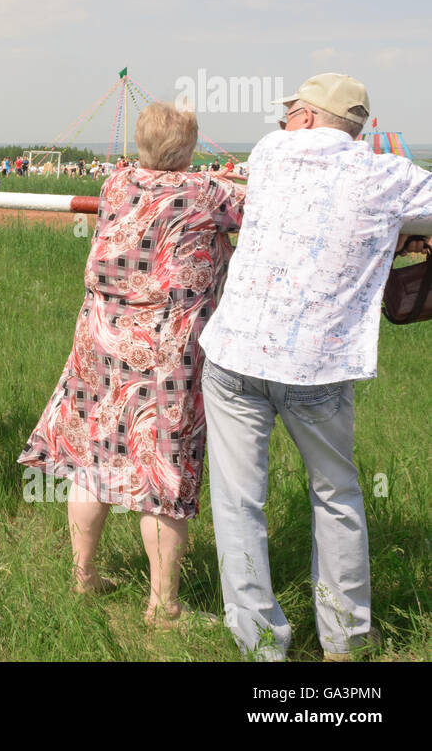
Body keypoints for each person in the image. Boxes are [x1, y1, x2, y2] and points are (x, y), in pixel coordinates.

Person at [198, 74, 432, 661]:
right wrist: (397, 233)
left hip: (234, 354)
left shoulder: (269, 152)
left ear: (303, 117)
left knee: (237, 501)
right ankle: (346, 640)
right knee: (336, 496)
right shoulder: (391, 177)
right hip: (317, 366)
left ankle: (259, 646)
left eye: (289, 113)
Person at [17, 102, 245, 624]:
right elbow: (254, 203)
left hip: (100, 340)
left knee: (94, 459)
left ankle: (84, 577)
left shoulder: (117, 183)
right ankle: (163, 606)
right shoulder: (208, 194)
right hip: (168, 350)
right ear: (189, 148)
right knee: (162, 473)